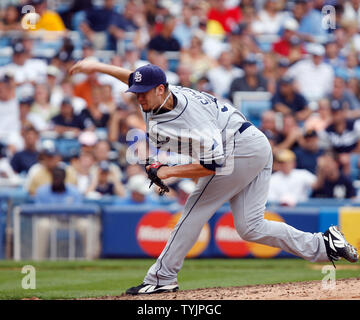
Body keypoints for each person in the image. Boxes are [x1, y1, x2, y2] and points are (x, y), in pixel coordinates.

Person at [69, 59, 358, 295]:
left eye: (143, 92)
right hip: (252, 144)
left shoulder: (188, 117)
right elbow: (132, 76)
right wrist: (97, 66)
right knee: (250, 228)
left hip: (239, 149)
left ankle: (162, 277)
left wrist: (167, 171)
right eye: (137, 92)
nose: (138, 96)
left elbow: (213, 165)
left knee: (195, 208)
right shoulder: (161, 96)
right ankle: (324, 245)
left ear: (160, 89)